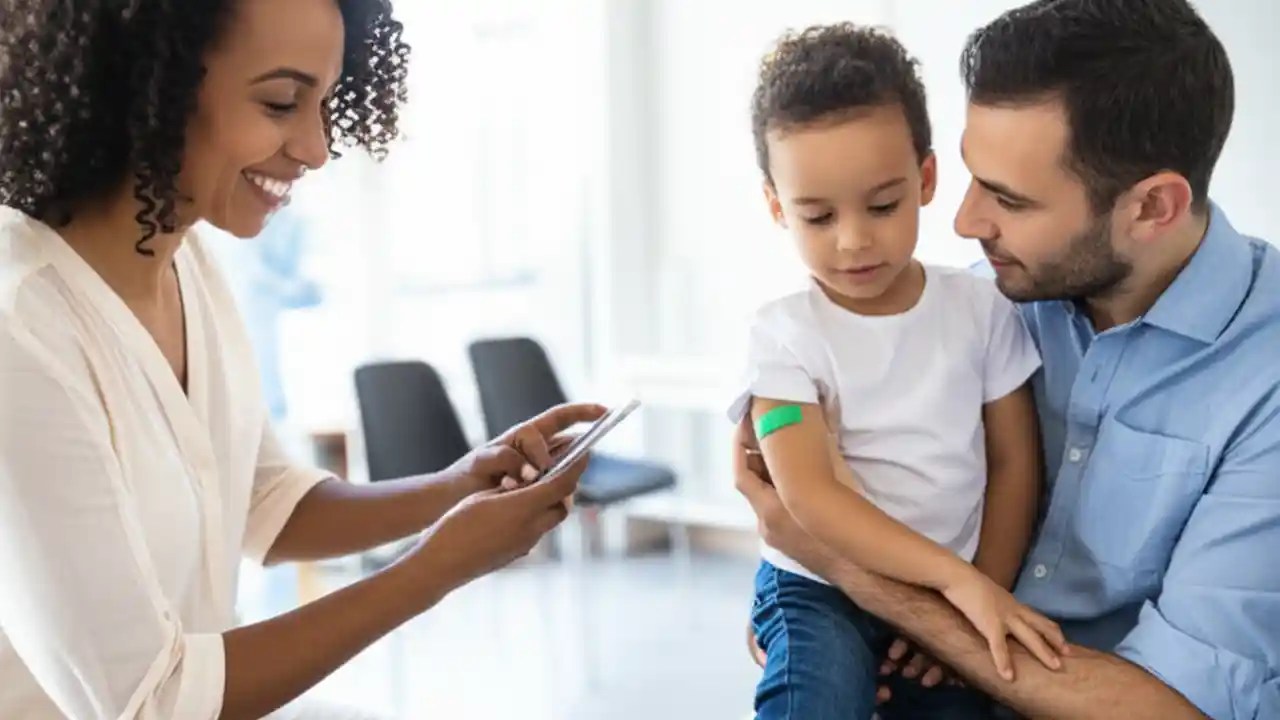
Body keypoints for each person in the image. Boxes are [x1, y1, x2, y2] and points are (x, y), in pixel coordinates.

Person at [0, 1, 605, 718]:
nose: (317, 147)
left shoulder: (185, 260)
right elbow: (150, 699)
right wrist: (437, 566)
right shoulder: (21, 324)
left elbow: (262, 503)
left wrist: (453, 489)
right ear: (142, 81)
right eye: (282, 101)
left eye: (325, 101)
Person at [737, 2, 1280, 719]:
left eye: (1007, 198)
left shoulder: (1263, 380)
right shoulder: (994, 294)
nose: (963, 222)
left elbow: (1180, 709)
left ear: (1151, 208)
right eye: (971, 177)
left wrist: (852, 573)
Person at [733, 24, 1065, 720]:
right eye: (817, 216)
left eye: (883, 205)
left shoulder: (982, 308)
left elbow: (1013, 467)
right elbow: (810, 499)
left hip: (955, 591)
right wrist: (951, 580)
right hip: (816, 586)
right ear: (775, 207)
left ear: (926, 179)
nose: (854, 240)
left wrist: (983, 588)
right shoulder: (782, 336)